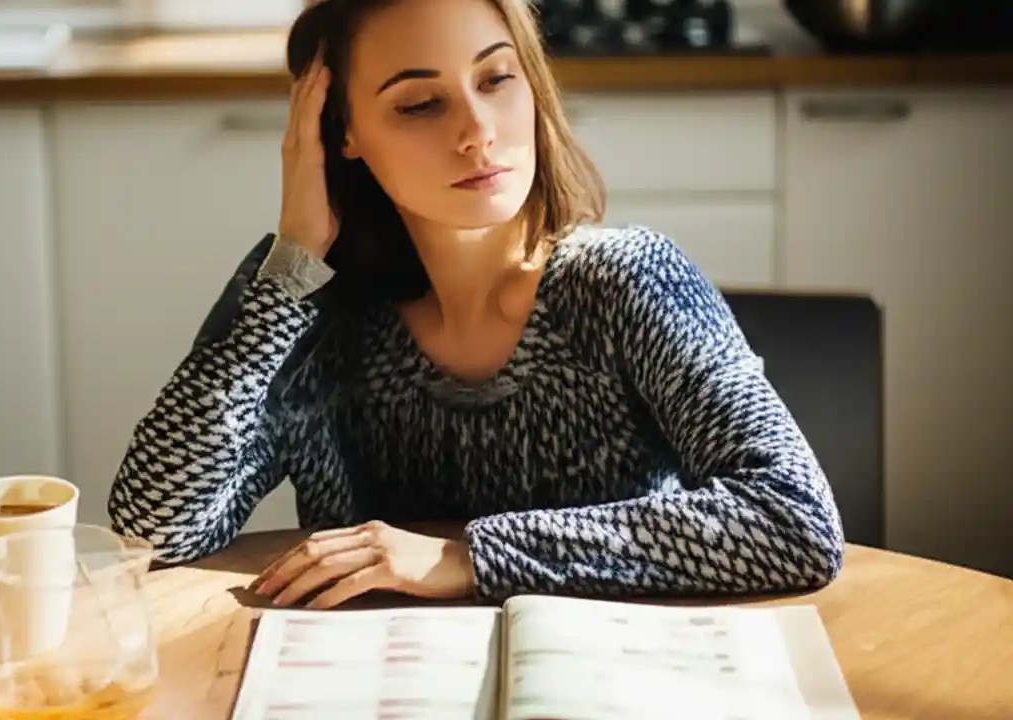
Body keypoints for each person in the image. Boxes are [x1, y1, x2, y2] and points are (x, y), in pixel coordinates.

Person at [108, 0, 844, 609]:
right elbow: (154, 528)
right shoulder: (308, 307)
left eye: (496, 79)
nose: (476, 131)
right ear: (345, 134)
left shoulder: (629, 282)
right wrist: (295, 258)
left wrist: (470, 557)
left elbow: (794, 521)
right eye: (421, 103)